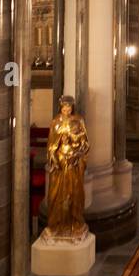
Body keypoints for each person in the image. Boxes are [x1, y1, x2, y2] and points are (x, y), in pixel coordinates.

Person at [45, 96, 90, 241]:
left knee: (74, 192)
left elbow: (86, 144)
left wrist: (76, 155)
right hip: (59, 164)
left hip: (73, 164)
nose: (66, 110)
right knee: (56, 194)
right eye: (64, 107)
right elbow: (51, 146)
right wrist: (55, 159)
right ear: (60, 107)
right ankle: (56, 224)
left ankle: (75, 223)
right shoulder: (55, 123)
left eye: (69, 107)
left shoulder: (78, 121)